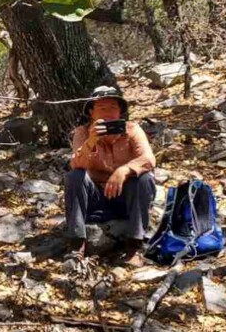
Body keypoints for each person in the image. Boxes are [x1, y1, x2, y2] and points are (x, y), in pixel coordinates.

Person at [65, 86, 157, 257]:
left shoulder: (132, 129)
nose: (108, 113)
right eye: (102, 108)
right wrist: (91, 141)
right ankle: (76, 243)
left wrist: (124, 170)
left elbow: (149, 159)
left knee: (144, 179)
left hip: (125, 197)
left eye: (113, 108)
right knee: (74, 177)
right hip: (96, 199)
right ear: (92, 112)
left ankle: (135, 245)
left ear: (120, 112)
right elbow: (77, 164)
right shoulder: (83, 132)